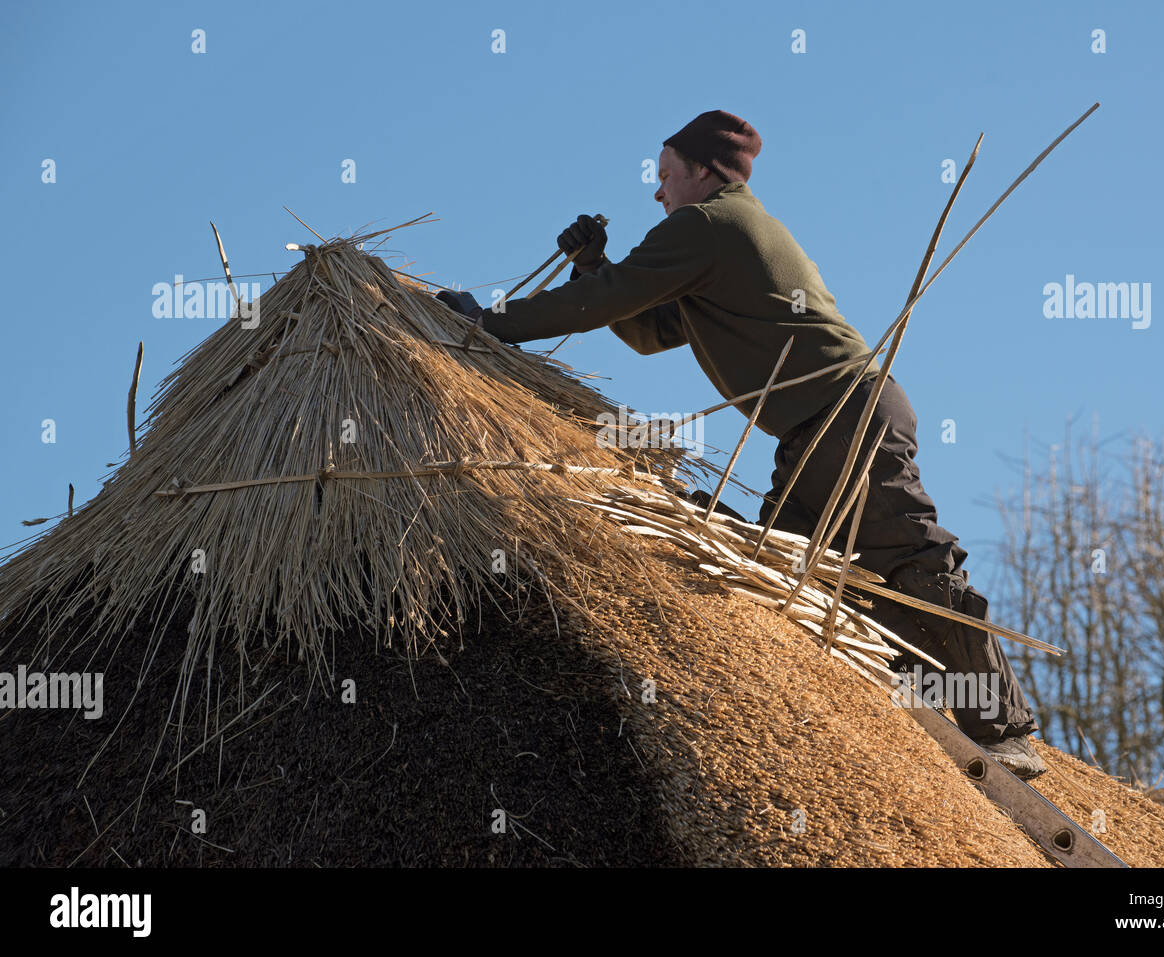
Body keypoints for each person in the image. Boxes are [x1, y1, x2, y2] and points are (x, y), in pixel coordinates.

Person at [437, 109, 1046, 778]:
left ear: (703, 171)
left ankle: (1005, 729)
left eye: (665, 175)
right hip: (815, 432)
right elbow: (646, 328)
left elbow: (607, 302)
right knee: (797, 578)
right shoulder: (722, 235)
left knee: (912, 559)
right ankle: (914, 715)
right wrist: (591, 265)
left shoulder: (708, 225)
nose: (657, 191)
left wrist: (489, 323)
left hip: (847, 417)